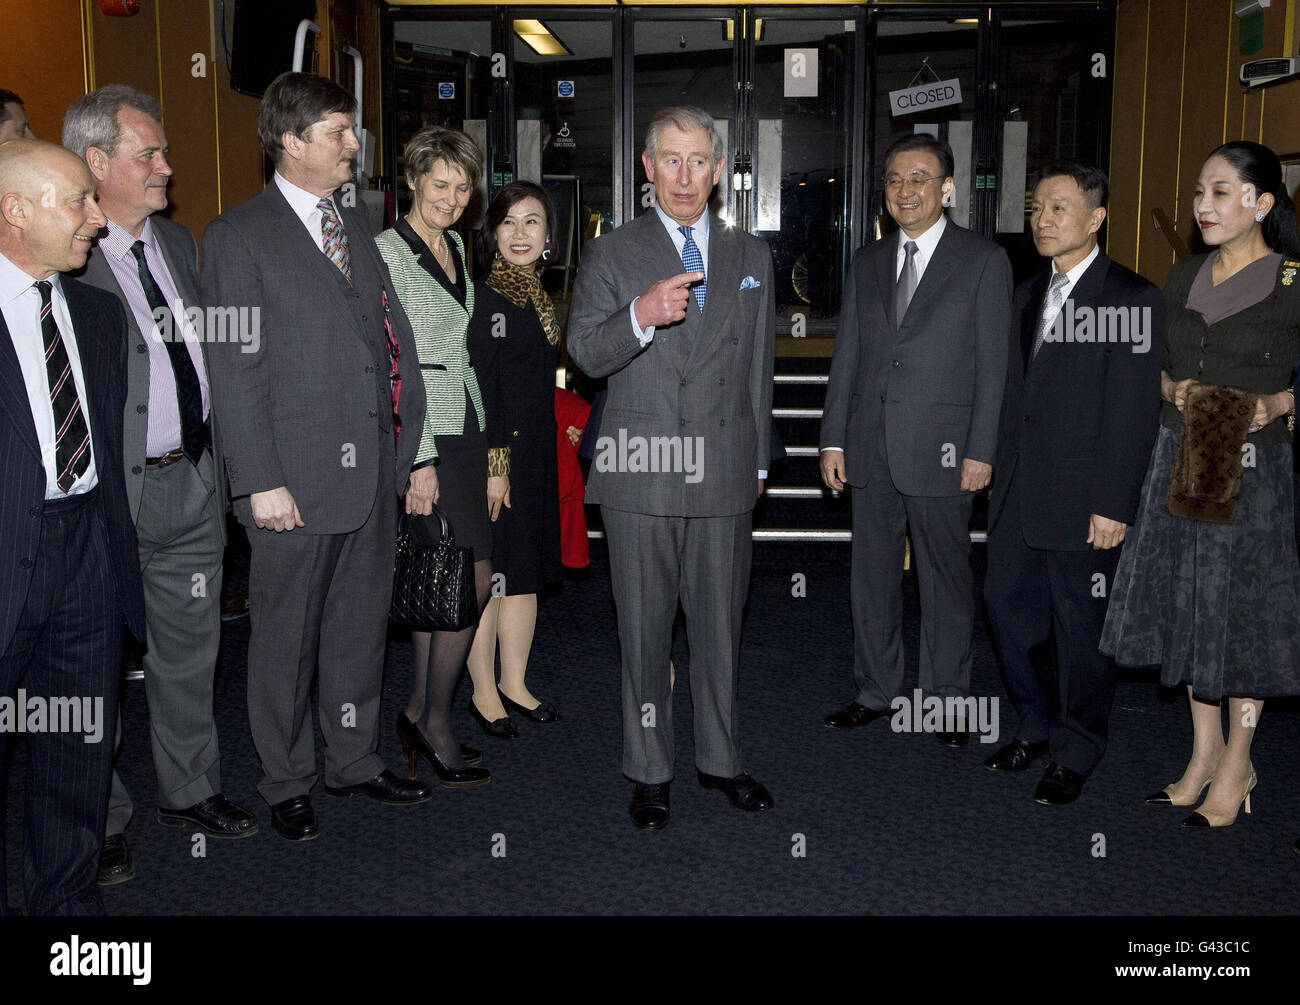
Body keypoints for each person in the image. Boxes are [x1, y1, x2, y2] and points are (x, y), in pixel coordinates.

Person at [201, 72, 432, 842]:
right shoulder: (239, 235)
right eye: (337, 131)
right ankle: (287, 776)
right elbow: (234, 369)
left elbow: (384, 346)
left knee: (357, 628)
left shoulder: (352, 223)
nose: (353, 143)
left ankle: (354, 759)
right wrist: (258, 481)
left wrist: (408, 452)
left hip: (369, 474)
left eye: (351, 129)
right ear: (290, 142)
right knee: (285, 639)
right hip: (290, 484)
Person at [63, 84, 257, 887]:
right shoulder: (64, 258)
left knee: (189, 650)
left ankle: (190, 787)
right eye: (149, 154)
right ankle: (94, 818)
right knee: (94, 667)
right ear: (96, 161)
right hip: (111, 502)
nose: (167, 168)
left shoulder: (177, 244)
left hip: (193, 484)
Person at [568, 105, 776, 830]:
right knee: (645, 633)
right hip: (640, 472)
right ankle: (649, 768)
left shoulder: (751, 256)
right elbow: (585, 354)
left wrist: (758, 459)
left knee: (721, 629)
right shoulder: (611, 253)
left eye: (700, 161)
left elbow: (758, 370)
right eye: (672, 160)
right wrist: (639, 315)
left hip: (722, 467)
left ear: (718, 170)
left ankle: (722, 758)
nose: (686, 176)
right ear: (647, 167)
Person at [1101, 141, 1300, 827]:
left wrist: (1279, 404)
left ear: (1262, 203)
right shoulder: (1183, 275)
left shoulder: (1293, 280)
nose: (1203, 206)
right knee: (1190, 606)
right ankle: (1202, 755)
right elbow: (1156, 366)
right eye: (1198, 193)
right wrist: (1171, 385)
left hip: (1255, 474)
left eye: (1220, 192)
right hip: (1179, 458)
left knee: (1240, 617)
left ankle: (1239, 762)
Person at [983, 160, 1164, 805]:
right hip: (1016, 495)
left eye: (1059, 208)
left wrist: (1114, 503)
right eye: (1036, 208)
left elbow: (1134, 413)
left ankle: (1077, 747)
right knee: (1008, 613)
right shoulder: (1027, 294)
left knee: (1081, 631)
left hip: (1086, 502)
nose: (1043, 220)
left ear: (1096, 217)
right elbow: (1012, 398)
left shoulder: (1132, 299)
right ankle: (1034, 725)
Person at [820, 134, 1011, 744]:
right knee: (870, 578)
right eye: (896, 179)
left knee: (945, 581)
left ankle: (946, 700)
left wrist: (982, 449)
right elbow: (847, 354)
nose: (906, 190)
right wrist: (831, 439)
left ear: (947, 188)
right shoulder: (869, 260)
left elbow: (994, 365)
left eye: (920, 178)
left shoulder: (983, 260)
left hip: (947, 452)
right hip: (870, 449)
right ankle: (875, 691)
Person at [0, 140, 146, 914]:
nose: (97, 217)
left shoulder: (95, 313)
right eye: (78, 201)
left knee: (76, 753)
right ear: (15, 212)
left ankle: (66, 915)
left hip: (88, 551)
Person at [375, 125, 492, 782]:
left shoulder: (451, 246)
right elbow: (392, 361)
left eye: (462, 185)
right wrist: (417, 459)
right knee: (468, 577)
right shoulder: (387, 253)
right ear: (413, 180)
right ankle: (436, 717)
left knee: (440, 575)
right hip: (426, 434)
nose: (451, 197)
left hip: (465, 427)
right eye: (439, 183)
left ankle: (421, 706)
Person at [465, 181, 564, 730]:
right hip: (498, 460)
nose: (521, 233)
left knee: (522, 575)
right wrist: (495, 470)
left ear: (548, 235)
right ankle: (483, 692)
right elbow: (487, 391)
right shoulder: (487, 296)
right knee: (493, 577)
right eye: (509, 222)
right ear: (492, 232)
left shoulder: (537, 295)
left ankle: (515, 682)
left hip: (536, 456)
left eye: (533, 222)